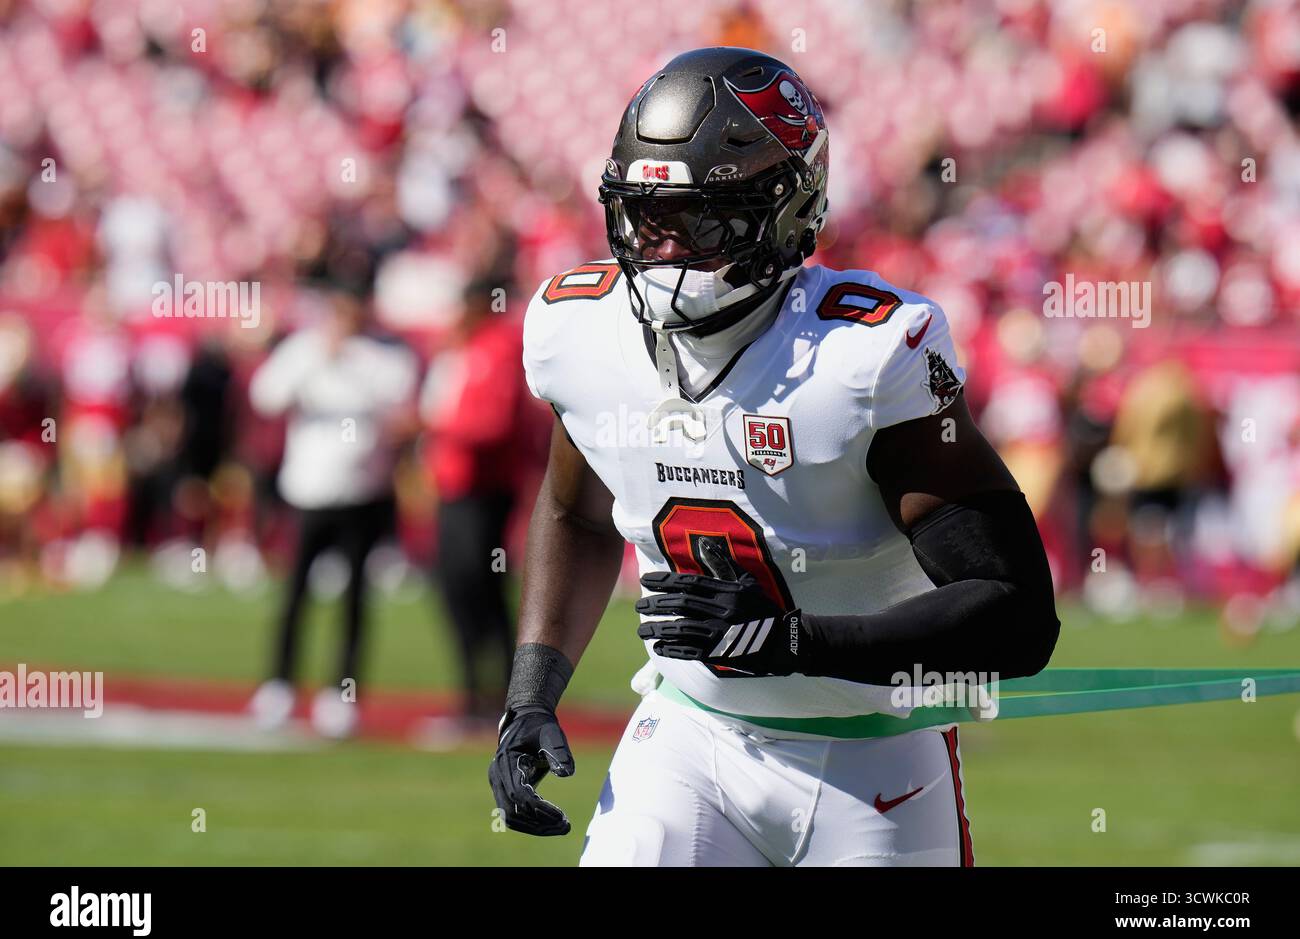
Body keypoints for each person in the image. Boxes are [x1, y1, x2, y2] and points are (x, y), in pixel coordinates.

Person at [488, 48, 1059, 866]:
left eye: (701, 220)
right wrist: (531, 696)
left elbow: (1015, 614)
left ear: (788, 212)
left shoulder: (862, 358)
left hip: (875, 756)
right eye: (648, 217)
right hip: (688, 732)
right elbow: (576, 512)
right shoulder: (578, 330)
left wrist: (792, 639)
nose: (665, 249)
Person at [247, 281, 418, 738]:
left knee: (354, 599)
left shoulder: (381, 357)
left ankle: (340, 696)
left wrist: (350, 365)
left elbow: (399, 407)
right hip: (308, 493)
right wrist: (316, 359)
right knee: (295, 594)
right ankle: (279, 684)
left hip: (363, 493)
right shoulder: (304, 350)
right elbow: (265, 396)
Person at [419, 276, 543, 739]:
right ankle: (479, 693)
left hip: (481, 488)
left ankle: (503, 696)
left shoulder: (498, 346)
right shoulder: (469, 345)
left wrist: (436, 428)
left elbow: (493, 422)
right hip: (456, 485)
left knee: (477, 588)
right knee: (461, 589)